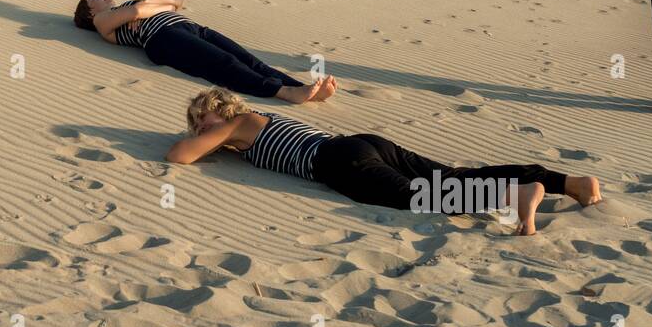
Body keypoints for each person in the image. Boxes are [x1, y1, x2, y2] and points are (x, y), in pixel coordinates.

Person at [168, 87, 602, 236]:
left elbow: (180, 156)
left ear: (217, 109)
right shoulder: (254, 121)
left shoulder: (235, 123)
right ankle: (571, 183)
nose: (198, 127)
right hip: (362, 143)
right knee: (453, 176)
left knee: (414, 197)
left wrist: (205, 139)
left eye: (199, 119)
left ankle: (515, 195)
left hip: (337, 162)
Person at [74, 0, 335, 103]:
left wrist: (151, 6)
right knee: (223, 64)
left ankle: (301, 88)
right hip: (164, 38)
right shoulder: (102, 20)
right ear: (90, 12)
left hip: (192, 28)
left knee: (249, 60)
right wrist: (146, 9)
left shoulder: (128, 7)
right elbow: (141, 10)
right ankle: (283, 92)